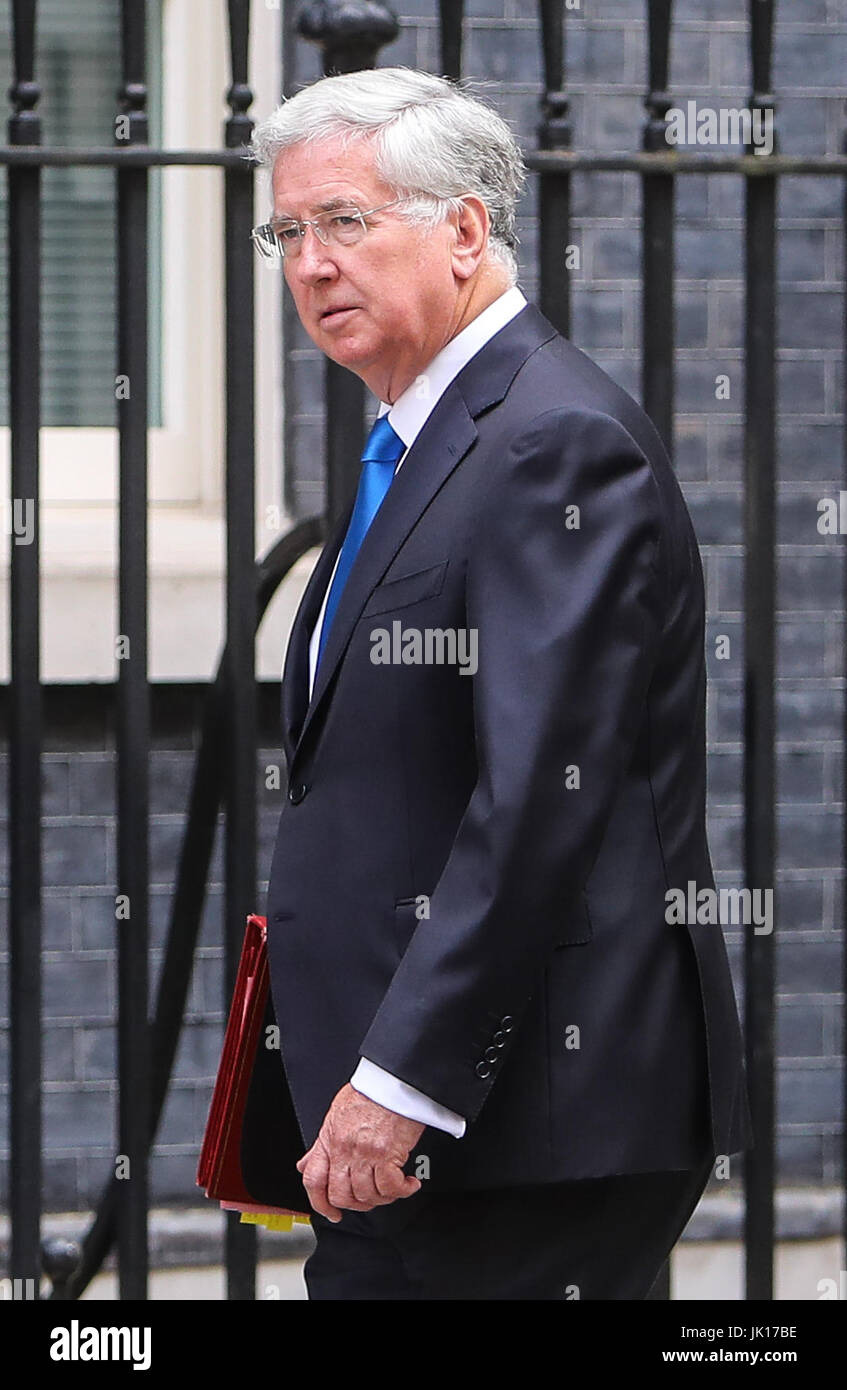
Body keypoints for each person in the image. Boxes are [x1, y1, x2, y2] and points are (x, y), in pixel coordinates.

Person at [241, 65, 753, 1300]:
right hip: (419, 1135)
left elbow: (542, 802)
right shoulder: (424, 440)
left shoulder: (548, 441)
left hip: (514, 1136)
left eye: (347, 222)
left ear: (465, 229)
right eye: (288, 230)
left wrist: (402, 1087)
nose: (310, 264)